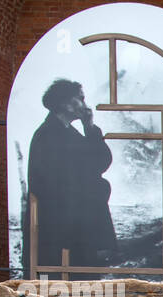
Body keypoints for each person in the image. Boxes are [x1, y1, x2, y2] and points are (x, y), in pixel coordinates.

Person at [28, 78, 117, 272]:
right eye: (80, 99)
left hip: (72, 213)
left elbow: (101, 163)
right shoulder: (47, 135)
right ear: (64, 103)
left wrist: (90, 127)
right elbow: (54, 184)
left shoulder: (69, 133)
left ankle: (99, 253)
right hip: (58, 217)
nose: (85, 105)